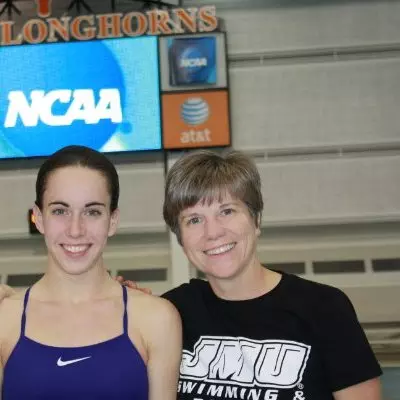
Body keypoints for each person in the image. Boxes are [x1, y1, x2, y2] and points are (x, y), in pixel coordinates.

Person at [0, 149, 382, 400]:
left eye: (228, 212)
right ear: (180, 236)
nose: (213, 233)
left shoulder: (322, 308)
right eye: (194, 219)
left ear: (257, 219)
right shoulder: (175, 309)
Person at [0, 145, 182, 400]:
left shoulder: (156, 319)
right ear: (39, 217)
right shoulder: (5, 319)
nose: (76, 230)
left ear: (113, 221)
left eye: (92, 211)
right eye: (60, 211)